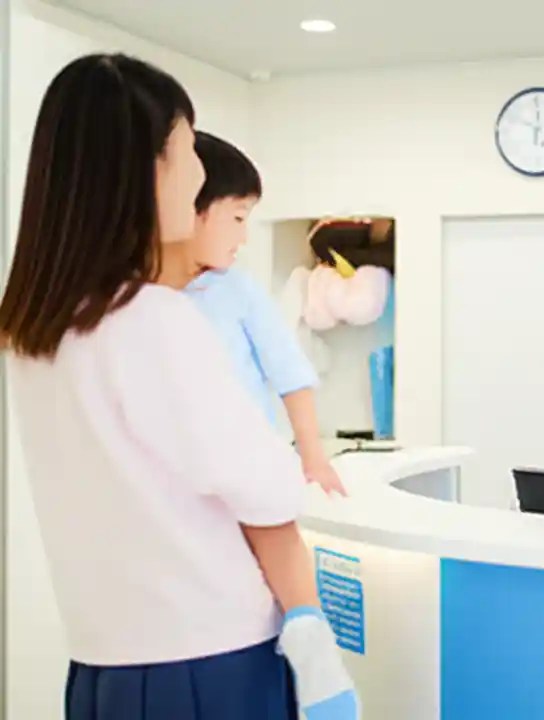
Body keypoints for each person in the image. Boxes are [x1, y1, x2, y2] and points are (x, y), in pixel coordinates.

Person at [0, 54, 357, 719]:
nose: (197, 175)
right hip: (208, 660)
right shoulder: (154, 320)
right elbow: (268, 492)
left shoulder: (30, 330)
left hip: (103, 664)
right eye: (188, 148)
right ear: (146, 169)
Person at [157, 130, 346, 496]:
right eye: (238, 219)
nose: (243, 238)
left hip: (250, 471)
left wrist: (314, 460)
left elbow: (291, 375)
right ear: (189, 210)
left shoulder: (238, 291)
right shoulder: (142, 300)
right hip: (180, 480)